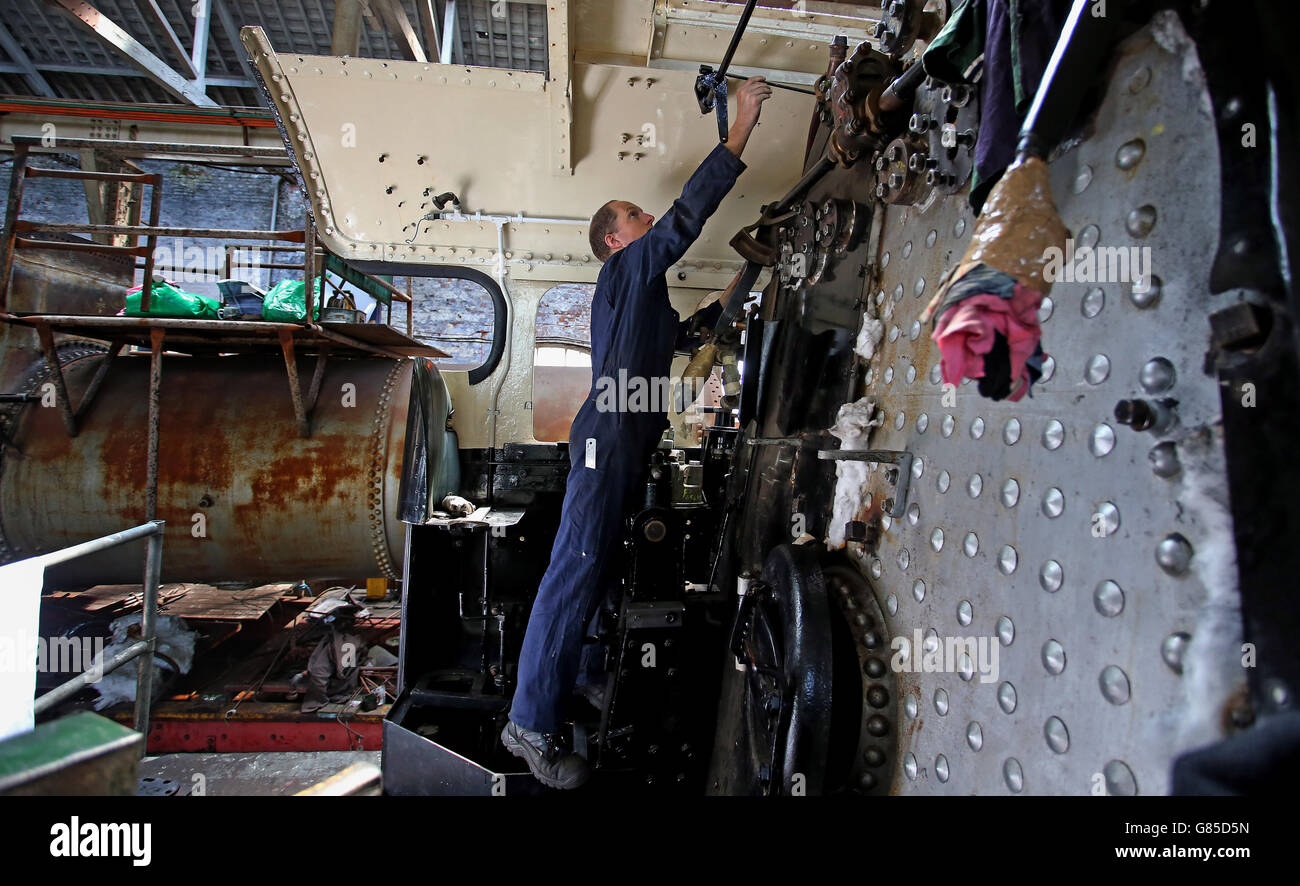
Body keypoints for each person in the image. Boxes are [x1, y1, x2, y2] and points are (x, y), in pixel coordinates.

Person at [501, 76, 773, 789]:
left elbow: (697, 332)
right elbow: (684, 219)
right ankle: (527, 726)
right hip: (609, 436)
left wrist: (750, 269)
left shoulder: (642, 300)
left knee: (603, 566)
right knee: (576, 569)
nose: (648, 215)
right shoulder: (623, 270)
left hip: (626, 437)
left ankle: (586, 676)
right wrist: (740, 125)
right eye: (635, 213)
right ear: (615, 239)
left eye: (642, 212)